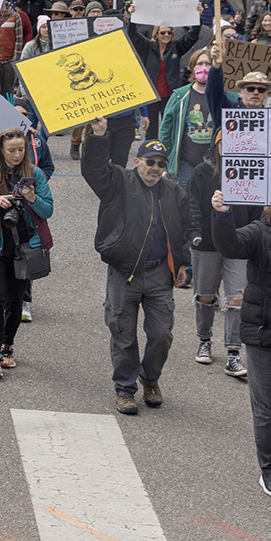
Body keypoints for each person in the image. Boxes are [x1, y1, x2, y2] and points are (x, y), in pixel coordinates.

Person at [82, 124, 192, 415]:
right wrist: (99, 137)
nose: (155, 168)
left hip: (159, 274)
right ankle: (125, 390)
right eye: (150, 162)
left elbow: (185, 227)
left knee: (162, 334)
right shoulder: (118, 181)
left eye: (160, 164)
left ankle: (150, 380)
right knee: (123, 334)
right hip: (124, 272)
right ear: (137, 161)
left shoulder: (174, 191)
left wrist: (182, 263)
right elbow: (93, 169)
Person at [210, 189, 271, 498]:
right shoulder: (260, 232)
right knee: (269, 412)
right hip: (266, 338)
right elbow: (230, 245)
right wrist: (222, 214)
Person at [0, 131, 54, 379]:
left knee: (16, 300)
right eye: (11, 150)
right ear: (1, 151)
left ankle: (7, 346)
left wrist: (32, 198)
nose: (17, 155)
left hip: (24, 247)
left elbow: (48, 210)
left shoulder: (35, 174)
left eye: (21, 150)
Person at [188, 135, 252, 379]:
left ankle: (233, 353)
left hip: (239, 242)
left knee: (237, 298)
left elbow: (257, 207)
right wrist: (194, 233)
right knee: (205, 295)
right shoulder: (202, 172)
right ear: (215, 146)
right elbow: (192, 204)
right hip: (206, 243)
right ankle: (204, 340)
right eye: (225, 142)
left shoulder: (249, 171)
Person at [159, 46, 216, 188]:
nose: (204, 67)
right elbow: (166, 132)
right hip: (186, 165)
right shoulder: (179, 96)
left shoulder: (226, 96)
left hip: (217, 165)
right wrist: (165, 164)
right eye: (200, 64)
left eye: (208, 64)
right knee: (186, 200)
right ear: (192, 67)